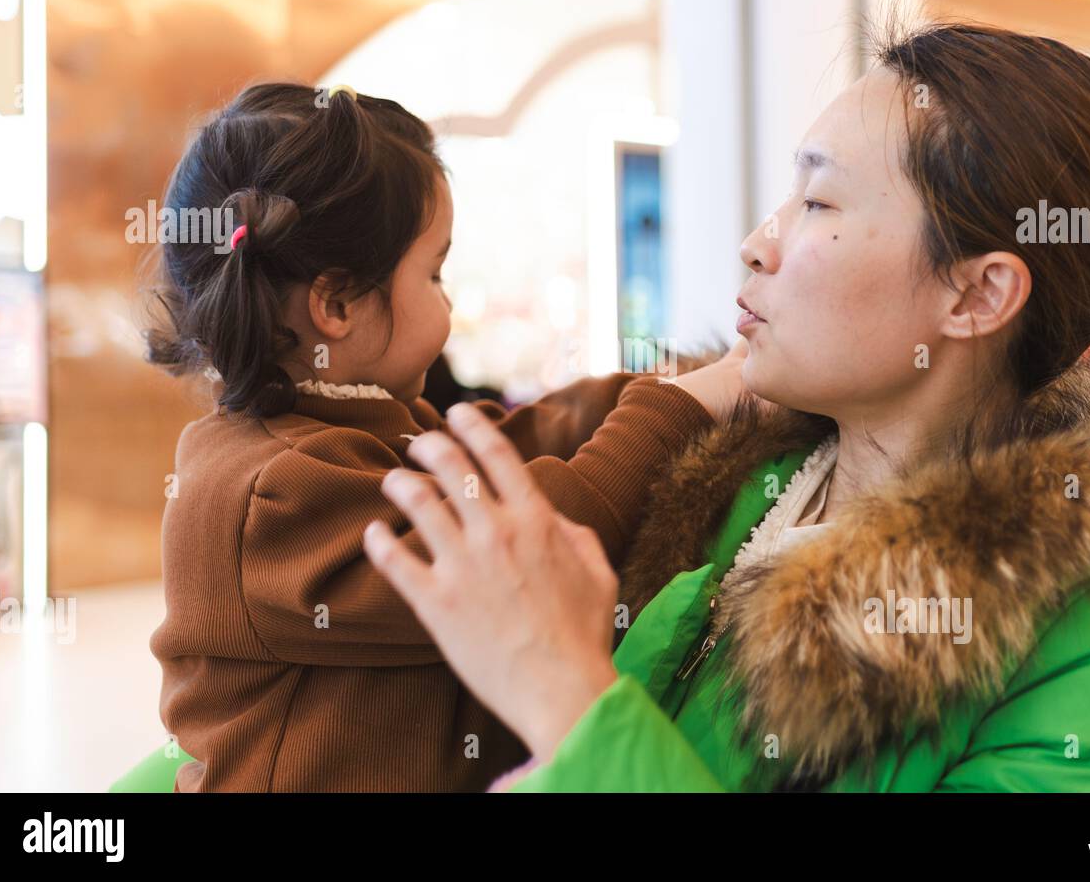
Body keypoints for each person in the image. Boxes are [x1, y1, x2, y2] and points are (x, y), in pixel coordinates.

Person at [365, 24, 1090, 792]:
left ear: (977, 295)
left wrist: (565, 695)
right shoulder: (734, 488)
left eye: (819, 200)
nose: (759, 245)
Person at [132, 82, 744, 791]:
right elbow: (521, 539)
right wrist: (678, 412)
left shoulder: (352, 418)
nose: (448, 297)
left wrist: (658, 389)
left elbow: (512, 439)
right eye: (435, 271)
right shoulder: (274, 495)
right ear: (336, 305)